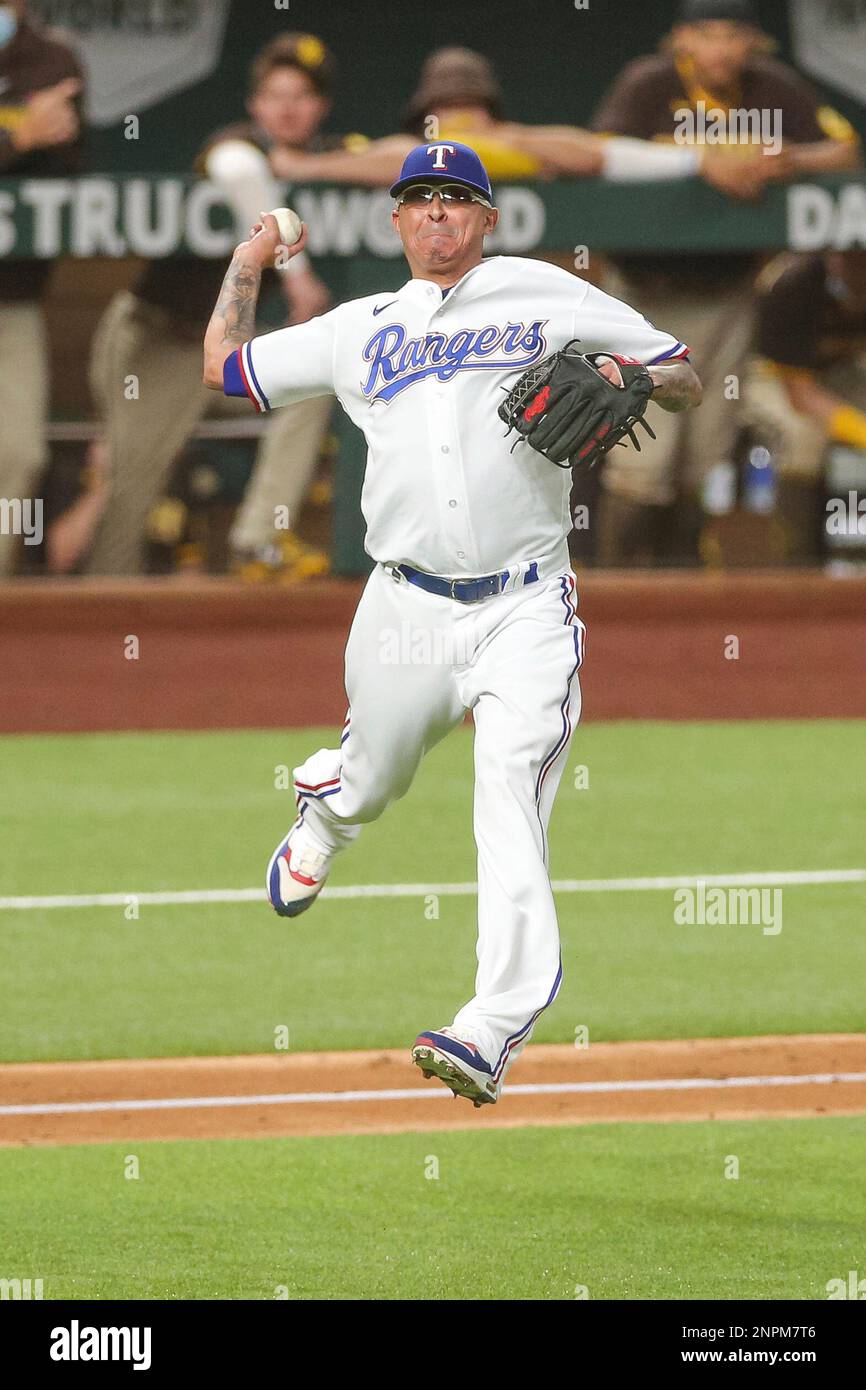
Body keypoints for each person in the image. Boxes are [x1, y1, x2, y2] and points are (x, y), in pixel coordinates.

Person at [202, 142, 701, 1105]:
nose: (438, 216)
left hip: (527, 608)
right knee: (378, 774)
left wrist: (627, 375)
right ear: (396, 222)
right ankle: (330, 812)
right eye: (420, 202)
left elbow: (682, 371)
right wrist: (251, 260)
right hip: (402, 607)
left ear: (489, 219)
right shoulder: (358, 328)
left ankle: (489, 1026)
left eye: (456, 201)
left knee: (508, 791)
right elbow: (224, 369)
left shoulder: (545, 292)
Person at [590, 0, 861, 565]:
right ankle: (616, 594)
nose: (721, 49)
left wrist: (790, 158)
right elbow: (603, 156)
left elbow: (843, 149)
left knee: (705, 446)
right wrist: (702, 160)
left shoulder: (773, 88)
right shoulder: (649, 84)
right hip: (644, 294)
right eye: (708, 35)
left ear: (753, 44)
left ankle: (684, 598)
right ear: (682, 39)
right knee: (643, 455)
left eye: (735, 36)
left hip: (728, 293)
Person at [86, 33, 360, 578]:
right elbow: (238, 170)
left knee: (312, 388)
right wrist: (296, 275)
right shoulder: (235, 143)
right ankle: (101, 609)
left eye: (301, 95)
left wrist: (314, 169)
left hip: (227, 360)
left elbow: (395, 160)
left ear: (321, 107)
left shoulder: (328, 154)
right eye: (274, 94)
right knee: (132, 490)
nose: (287, 107)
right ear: (255, 105)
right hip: (161, 340)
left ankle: (257, 538)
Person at [267, 46, 720, 187]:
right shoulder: (407, 150)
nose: (462, 118)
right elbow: (399, 158)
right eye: (448, 107)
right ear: (426, 113)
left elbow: (596, 155)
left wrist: (506, 137)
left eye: (472, 106)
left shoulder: (526, 143)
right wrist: (311, 167)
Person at [0, 0, 84, 576]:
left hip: (13, 296)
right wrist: (16, 139)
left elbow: (73, 170)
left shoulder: (51, 58)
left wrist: (40, 140)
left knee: (20, 452)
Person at [747, 250, 866, 563]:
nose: (857, 265)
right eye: (849, 255)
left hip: (842, 374)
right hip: (771, 378)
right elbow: (800, 395)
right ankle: (799, 568)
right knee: (802, 439)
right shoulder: (794, 282)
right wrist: (862, 432)